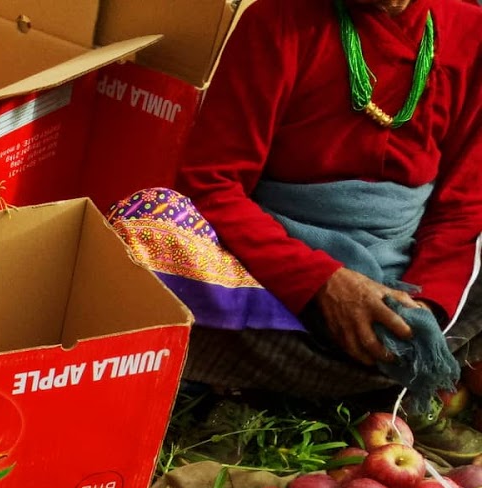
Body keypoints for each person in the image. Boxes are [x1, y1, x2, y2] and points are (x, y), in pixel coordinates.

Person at [108, 0, 482, 458]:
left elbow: (463, 208)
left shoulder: (470, 30)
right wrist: (322, 283)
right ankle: (329, 391)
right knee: (148, 226)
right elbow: (213, 183)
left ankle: (402, 377)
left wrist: (422, 317)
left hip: (406, 264)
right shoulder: (279, 19)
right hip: (279, 266)